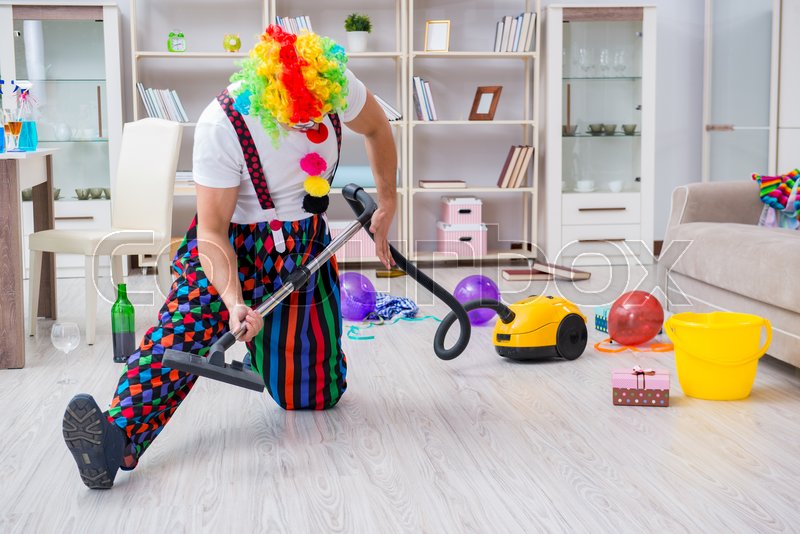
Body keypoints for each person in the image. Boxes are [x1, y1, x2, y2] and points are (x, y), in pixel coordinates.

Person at [61, 25, 397, 489]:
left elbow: (378, 128)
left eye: (318, 113)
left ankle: (271, 349)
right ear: (267, 99)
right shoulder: (223, 123)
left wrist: (388, 198)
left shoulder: (335, 84)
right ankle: (115, 441)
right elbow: (212, 231)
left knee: (315, 396)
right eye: (295, 119)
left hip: (304, 245)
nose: (310, 126)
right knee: (183, 329)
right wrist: (234, 299)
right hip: (232, 243)